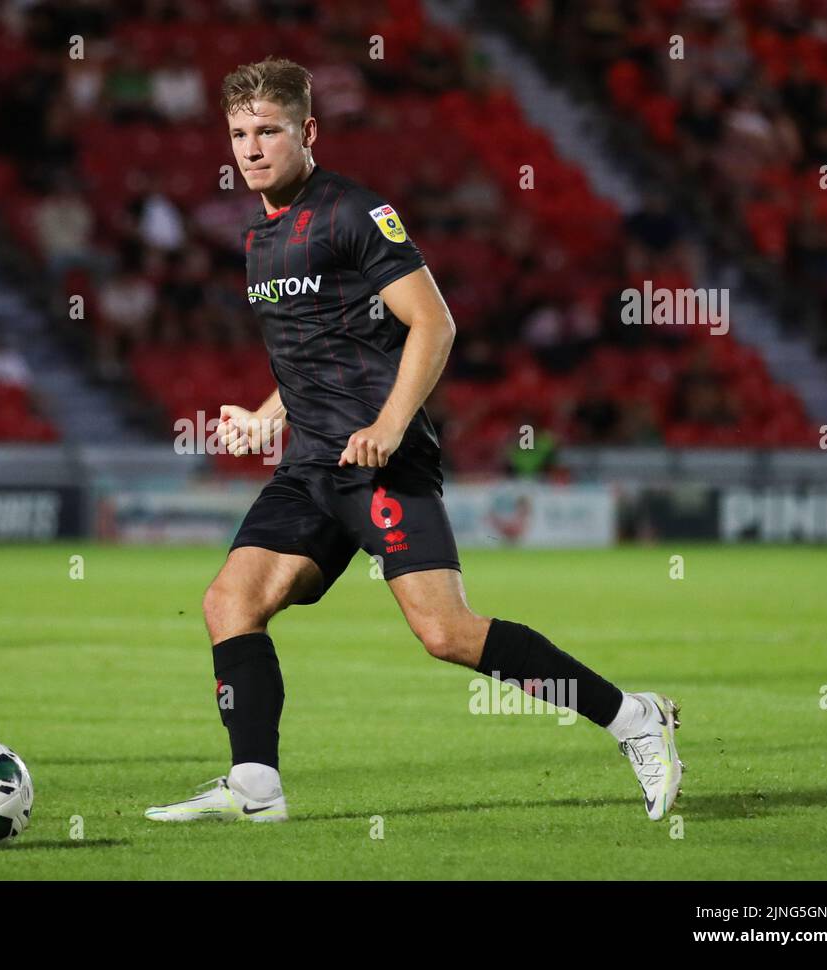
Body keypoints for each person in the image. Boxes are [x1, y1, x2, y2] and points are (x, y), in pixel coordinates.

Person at [145, 57, 683, 825]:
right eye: (238, 133)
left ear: (308, 131)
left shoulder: (353, 212)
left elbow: (434, 322)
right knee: (230, 600)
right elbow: (311, 346)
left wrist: (389, 425)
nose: (252, 148)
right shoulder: (259, 236)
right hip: (310, 466)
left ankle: (634, 718)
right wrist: (270, 412)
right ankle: (255, 786)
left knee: (446, 633)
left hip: (381, 460)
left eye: (269, 130)